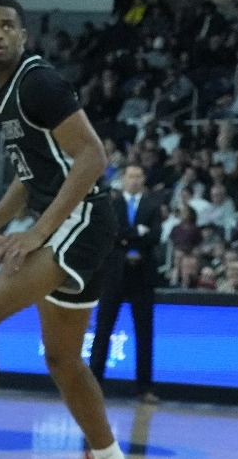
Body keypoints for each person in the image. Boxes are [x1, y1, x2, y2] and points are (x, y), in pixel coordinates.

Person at [0, 0, 122, 459]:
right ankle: (109, 456)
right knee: (62, 360)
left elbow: (93, 157)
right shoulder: (1, 92)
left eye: (7, 26)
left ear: (23, 36)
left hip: (82, 218)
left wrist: (37, 232)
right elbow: (30, 177)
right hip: (77, 222)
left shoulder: (37, 82)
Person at [89, 164, 164, 404]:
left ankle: (145, 387)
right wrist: (136, 233)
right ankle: (93, 384)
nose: (135, 179)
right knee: (103, 331)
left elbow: (154, 237)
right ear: (123, 179)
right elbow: (111, 233)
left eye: (139, 175)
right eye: (131, 176)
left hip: (142, 278)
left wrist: (128, 236)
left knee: (144, 334)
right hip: (113, 276)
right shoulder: (113, 203)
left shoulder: (153, 205)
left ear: (144, 179)